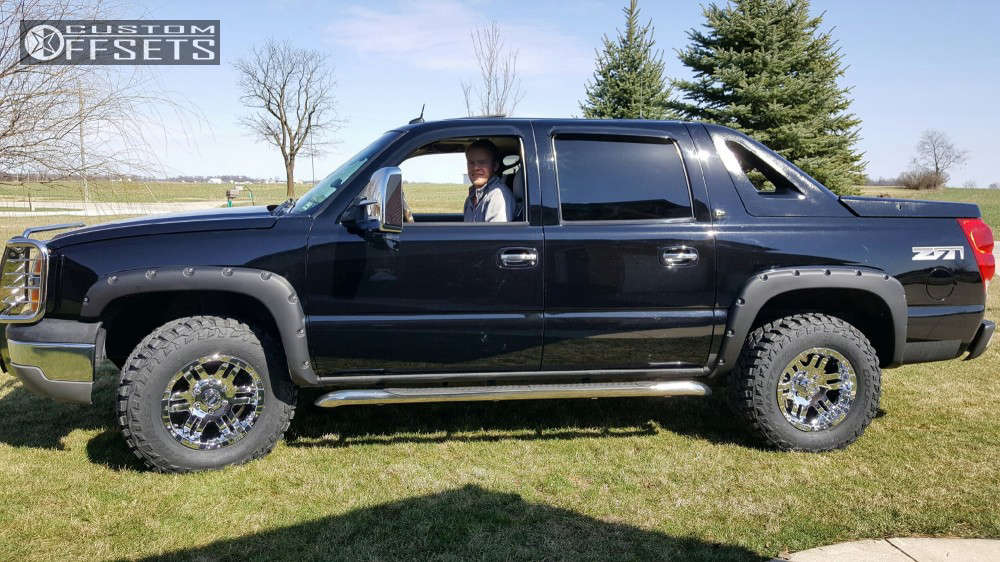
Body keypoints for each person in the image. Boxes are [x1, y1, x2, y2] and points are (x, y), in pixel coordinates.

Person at [463, 139, 513, 222]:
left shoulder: (497, 195)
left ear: (495, 166)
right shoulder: (471, 197)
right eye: (471, 163)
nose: (475, 168)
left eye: (482, 162)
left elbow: (495, 234)